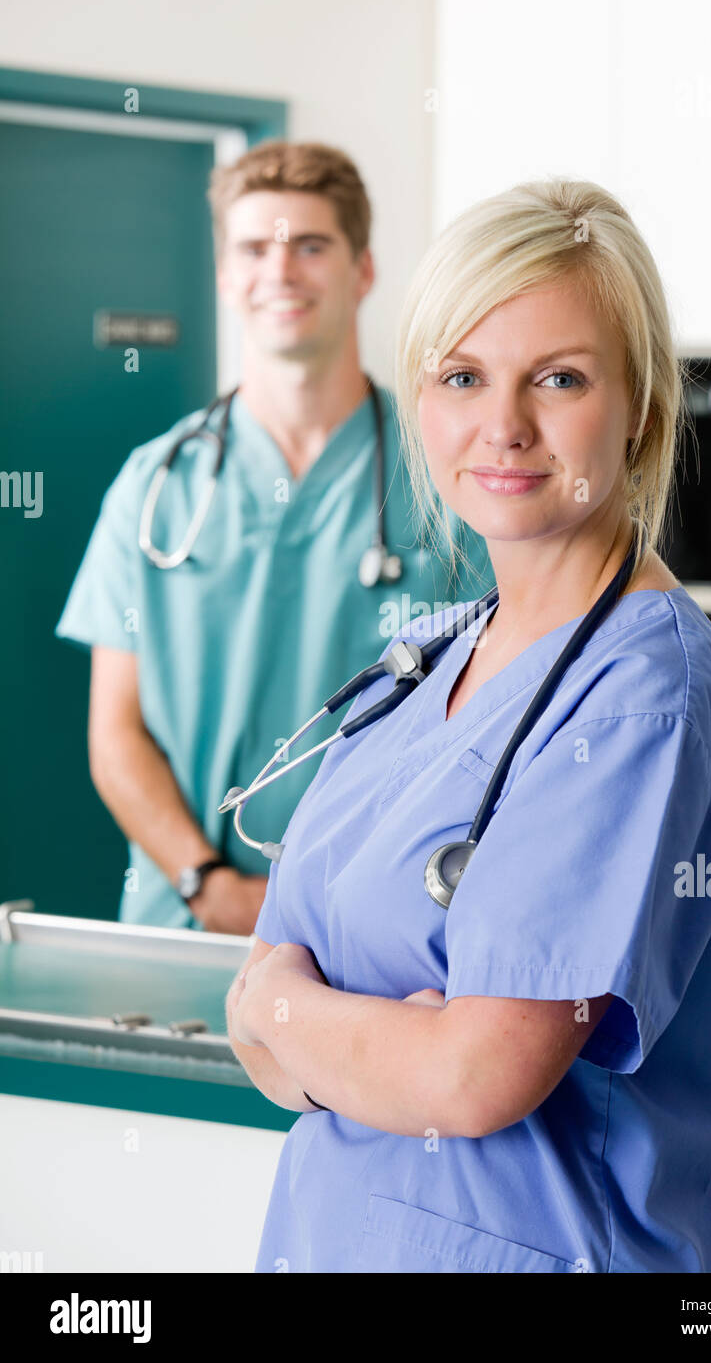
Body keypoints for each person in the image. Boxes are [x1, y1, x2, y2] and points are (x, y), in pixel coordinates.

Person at [225, 178, 711, 1273]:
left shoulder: (641, 698)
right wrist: (326, 1019)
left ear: (643, 408)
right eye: (462, 376)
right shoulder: (422, 657)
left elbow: (469, 1079)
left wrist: (299, 1009)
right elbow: (253, 1022)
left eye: (558, 378)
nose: (502, 426)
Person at [55, 140, 492, 935]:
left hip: (370, 927)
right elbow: (114, 731)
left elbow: (493, 713)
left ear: (363, 270)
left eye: (311, 245)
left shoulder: (447, 475)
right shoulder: (155, 486)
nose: (280, 271)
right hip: (182, 923)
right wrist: (207, 883)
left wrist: (348, 894)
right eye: (255, 247)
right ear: (225, 273)